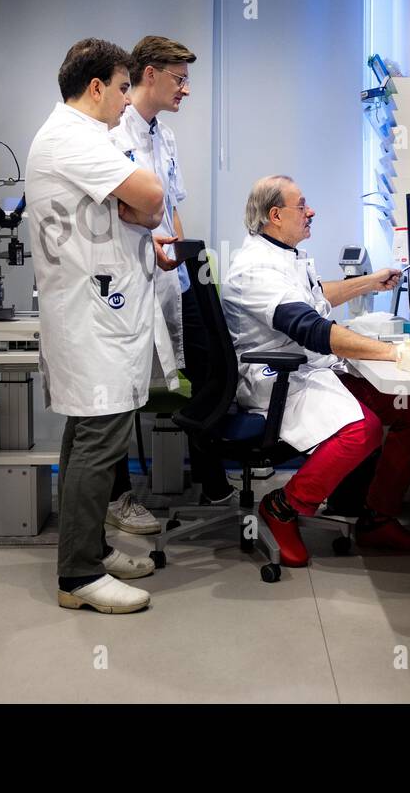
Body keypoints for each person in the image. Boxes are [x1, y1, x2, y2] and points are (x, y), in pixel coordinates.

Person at [26, 38, 173, 614]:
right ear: (97, 88)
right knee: (96, 439)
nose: (124, 101)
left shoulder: (84, 139)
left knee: (89, 435)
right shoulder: (72, 138)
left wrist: (132, 216)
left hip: (99, 312)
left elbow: (138, 212)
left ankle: (88, 549)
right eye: (120, 88)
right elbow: (152, 197)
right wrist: (134, 209)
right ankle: (78, 575)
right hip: (92, 318)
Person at [221, 175, 410, 568]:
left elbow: (314, 294)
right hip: (278, 379)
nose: (311, 211)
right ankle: (283, 506)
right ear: (275, 215)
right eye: (302, 205)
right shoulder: (254, 267)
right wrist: (392, 352)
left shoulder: (282, 254)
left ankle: (376, 517)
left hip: (309, 369)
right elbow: (311, 328)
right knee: (363, 428)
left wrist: (369, 282)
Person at [103, 36, 236, 534]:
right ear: (151, 75)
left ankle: (210, 475)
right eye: (180, 80)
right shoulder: (113, 134)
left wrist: (177, 250)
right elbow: (123, 210)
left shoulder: (165, 136)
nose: (186, 90)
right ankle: (117, 496)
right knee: (121, 389)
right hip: (131, 281)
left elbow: (170, 207)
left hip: (172, 276)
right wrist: (154, 245)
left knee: (212, 365)